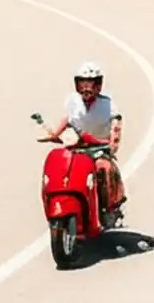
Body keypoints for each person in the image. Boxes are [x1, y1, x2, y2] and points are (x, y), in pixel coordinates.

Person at [38, 62, 125, 219]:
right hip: (77, 146)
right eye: (82, 83)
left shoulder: (108, 104)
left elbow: (116, 124)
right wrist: (54, 135)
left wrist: (113, 142)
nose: (86, 88)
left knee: (102, 170)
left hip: (99, 148)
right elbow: (67, 119)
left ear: (98, 85)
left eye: (90, 83)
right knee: (63, 168)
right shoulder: (72, 101)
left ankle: (105, 209)